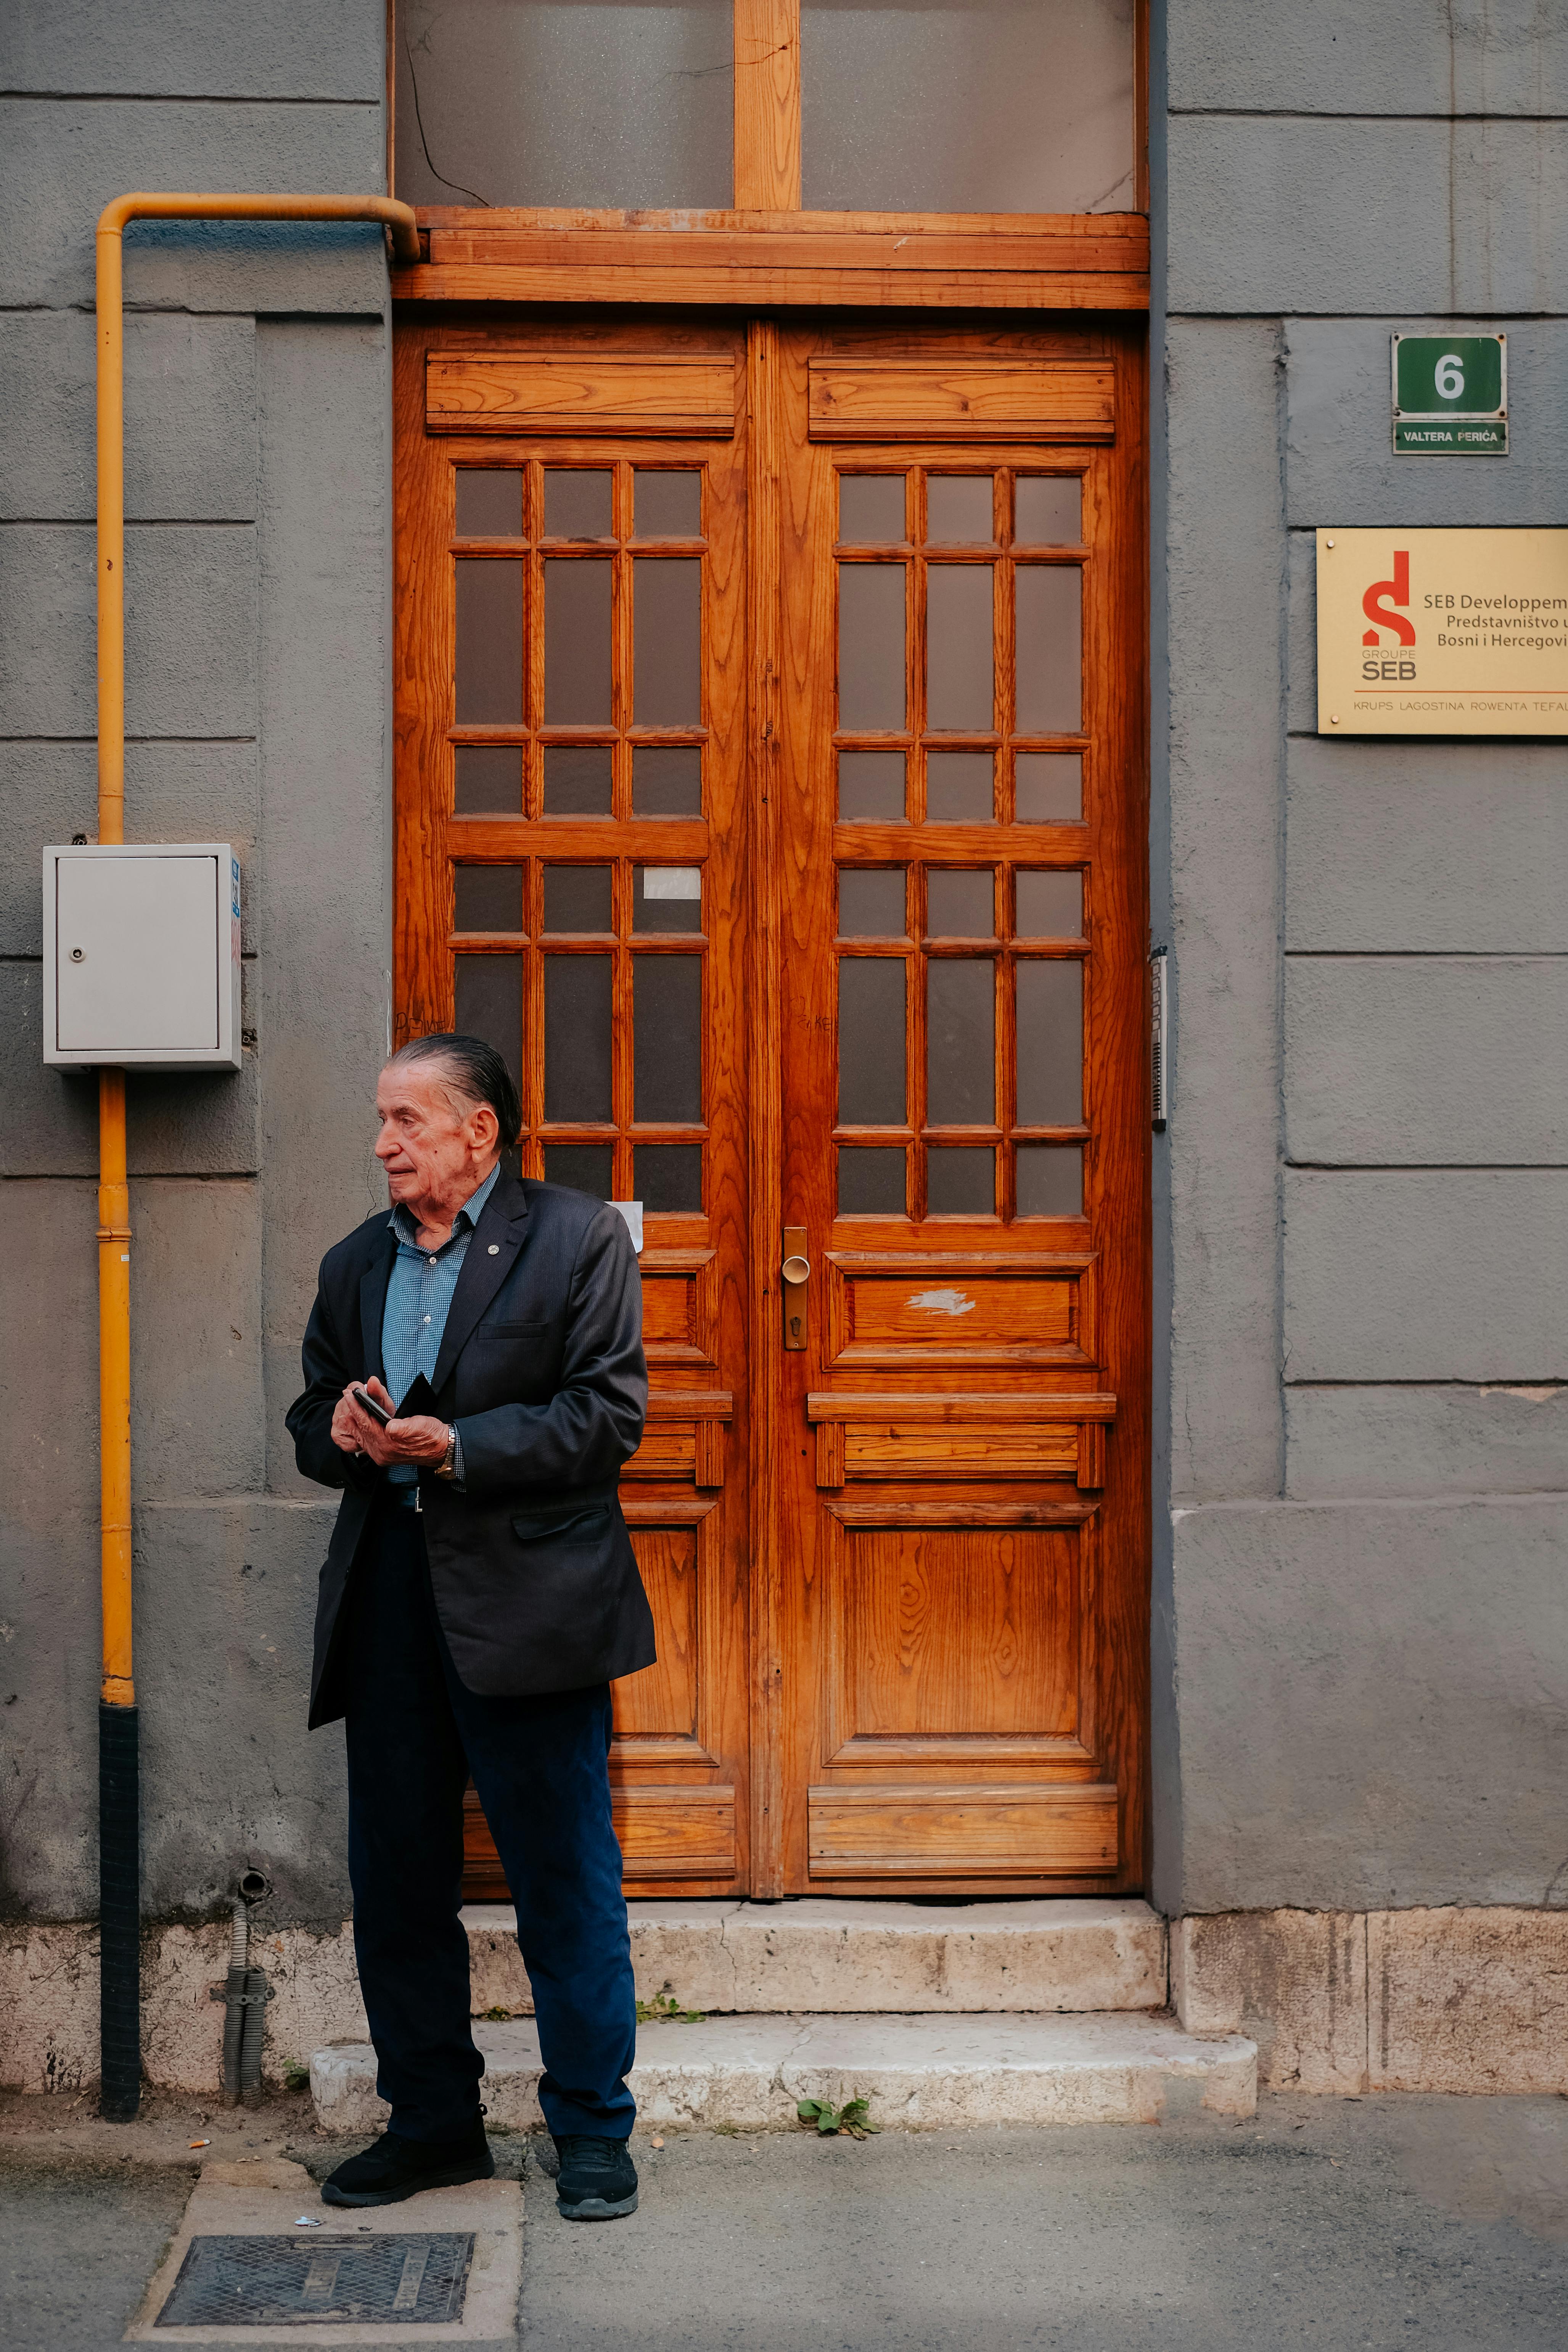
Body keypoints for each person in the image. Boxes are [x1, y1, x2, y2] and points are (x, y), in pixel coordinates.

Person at [286, 1033, 653, 2220]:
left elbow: (607, 1419)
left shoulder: (577, 1237)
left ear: (478, 1131)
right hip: (390, 1602)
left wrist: (463, 1448)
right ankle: (434, 2125)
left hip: (532, 1608)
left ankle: (594, 2132)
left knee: (563, 1881)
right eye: (382, 1120)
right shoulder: (356, 1263)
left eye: (407, 1120)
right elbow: (308, 1406)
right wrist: (335, 1431)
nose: (384, 1143)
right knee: (397, 1885)